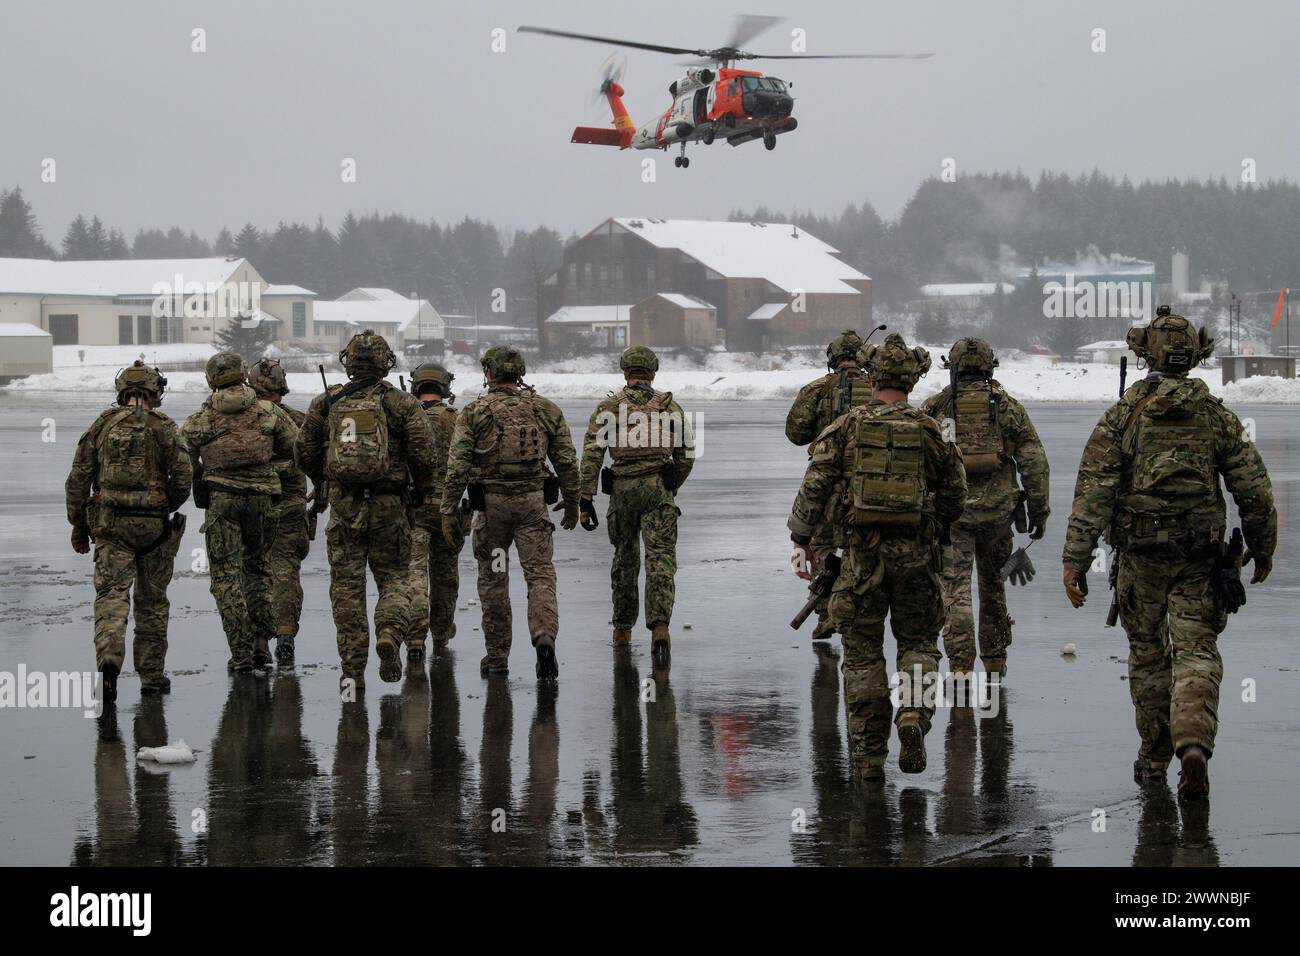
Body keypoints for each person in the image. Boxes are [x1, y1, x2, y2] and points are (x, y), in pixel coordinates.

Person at [1063, 306, 1276, 800]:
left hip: (1141, 561)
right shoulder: (1217, 416)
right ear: (1194, 356)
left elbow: (1093, 492)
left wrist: (1075, 561)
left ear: (1144, 354)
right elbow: (1254, 488)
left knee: (1148, 657)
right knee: (1197, 652)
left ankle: (1155, 757)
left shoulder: (1123, 415)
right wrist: (1263, 547)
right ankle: (1194, 745)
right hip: (1200, 557)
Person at [786, 334, 966, 785]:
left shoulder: (847, 426)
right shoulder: (929, 430)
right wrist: (934, 528)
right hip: (917, 558)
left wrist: (803, 538)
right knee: (920, 645)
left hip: (861, 558)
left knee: (863, 655)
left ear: (875, 378)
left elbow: (815, 485)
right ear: (910, 381)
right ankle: (913, 716)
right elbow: (956, 493)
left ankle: (869, 760)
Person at [294, 330, 436, 686]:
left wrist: (324, 481)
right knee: (395, 579)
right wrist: (420, 491)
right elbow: (424, 453)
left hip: (344, 507)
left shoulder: (325, 403)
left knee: (346, 589)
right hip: (390, 506)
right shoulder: (401, 403)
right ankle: (388, 631)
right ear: (386, 362)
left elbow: (304, 451)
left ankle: (352, 671)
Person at [440, 347, 579, 680]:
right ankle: (544, 636)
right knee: (539, 575)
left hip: (493, 512)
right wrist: (573, 500)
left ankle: (498, 656)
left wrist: (448, 509)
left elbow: (457, 466)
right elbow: (566, 460)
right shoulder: (545, 409)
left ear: (488, 373)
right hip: (532, 509)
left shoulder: (475, 413)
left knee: (494, 580)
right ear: (520, 373)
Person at [920, 337, 1050, 678]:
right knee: (993, 586)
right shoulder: (1008, 407)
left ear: (954, 367)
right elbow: (1034, 462)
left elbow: (917, 460)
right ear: (990, 366)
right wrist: (1039, 511)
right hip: (998, 517)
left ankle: (961, 667)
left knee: (956, 590)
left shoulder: (936, 407)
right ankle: (994, 660)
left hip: (952, 518)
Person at [65, 361, 191, 700]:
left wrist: (78, 526)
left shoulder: (103, 426)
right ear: (155, 392)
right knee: (152, 601)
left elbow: (78, 479)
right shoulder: (165, 427)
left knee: (111, 597)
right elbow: (183, 478)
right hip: (153, 527)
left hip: (111, 525)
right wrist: (166, 504)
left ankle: (108, 661)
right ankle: (151, 675)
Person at [578, 345, 694, 662]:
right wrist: (670, 486)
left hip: (623, 492)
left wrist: (585, 499)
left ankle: (622, 631)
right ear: (653, 373)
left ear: (625, 372)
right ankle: (659, 628)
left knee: (625, 561)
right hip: (658, 489)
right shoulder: (671, 408)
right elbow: (686, 454)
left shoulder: (609, 408)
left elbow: (591, 455)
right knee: (660, 562)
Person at [183, 352, 297, 673]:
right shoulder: (266, 410)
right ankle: (262, 643)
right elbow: (296, 447)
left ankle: (241, 651)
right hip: (263, 500)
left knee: (226, 576)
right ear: (244, 374)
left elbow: (183, 453)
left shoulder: (204, 416)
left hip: (222, 500)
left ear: (211, 380)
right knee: (259, 568)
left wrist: (197, 477)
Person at [785, 330, 874, 641]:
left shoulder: (817, 389)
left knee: (822, 547)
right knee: (859, 548)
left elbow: (795, 433)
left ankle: (825, 614)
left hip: (825, 483)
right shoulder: (877, 388)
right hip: (869, 486)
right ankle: (853, 610)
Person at [248, 357, 311, 663]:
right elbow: (317, 460)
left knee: (250, 571)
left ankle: (256, 638)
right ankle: (285, 633)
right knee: (285, 571)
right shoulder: (296, 420)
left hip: (248, 506)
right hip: (288, 506)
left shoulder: (238, 420)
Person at [404, 362, 466, 661]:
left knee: (414, 572)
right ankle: (441, 630)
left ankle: (415, 637)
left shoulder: (405, 419)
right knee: (445, 573)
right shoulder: (457, 420)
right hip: (449, 509)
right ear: (444, 387)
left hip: (413, 508)